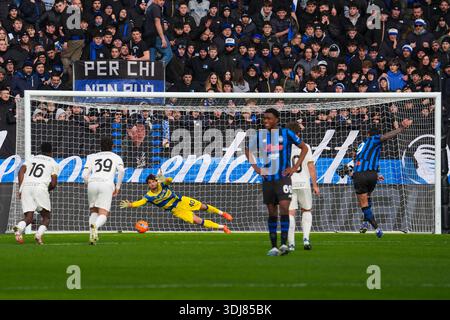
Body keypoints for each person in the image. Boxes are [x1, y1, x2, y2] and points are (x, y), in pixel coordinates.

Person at [245, 108, 309, 256]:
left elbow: (304, 148)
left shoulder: (286, 133)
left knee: (285, 208)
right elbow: (248, 150)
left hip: (283, 177)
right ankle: (274, 246)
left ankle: (284, 244)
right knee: (272, 212)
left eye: (269, 118)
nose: (266, 121)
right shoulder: (261, 135)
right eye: (264, 118)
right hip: (268, 178)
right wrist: (257, 168)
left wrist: (294, 167)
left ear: (277, 120)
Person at [352, 119, 413, 238]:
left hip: (360, 174)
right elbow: (385, 137)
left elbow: (384, 137)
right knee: (368, 197)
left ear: (368, 134)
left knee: (363, 203)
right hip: (372, 174)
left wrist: (400, 128)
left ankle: (377, 228)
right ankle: (365, 222)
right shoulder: (370, 143)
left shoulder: (366, 142)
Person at [120, 173, 232, 233]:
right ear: (148, 185)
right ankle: (223, 227)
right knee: (198, 220)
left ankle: (223, 214)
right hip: (177, 211)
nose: (153, 184)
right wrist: (131, 204)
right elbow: (140, 202)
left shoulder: (162, 184)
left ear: (156, 181)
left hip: (182, 201)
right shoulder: (149, 196)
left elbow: (170, 180)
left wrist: (163, 178)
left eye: (154, 181)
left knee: (203, 206)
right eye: (150, 183)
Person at [82, 136, 125, 245]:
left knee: (93, 211)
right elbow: (121, 171)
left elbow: (84, 175)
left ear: (100, 146)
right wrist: (118, 187)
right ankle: (95, 227)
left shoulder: (92, 157)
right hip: (106, 183)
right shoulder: (116, 157)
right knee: (103, 213)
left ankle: (91, 235)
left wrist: (88, 183)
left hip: (92, 183)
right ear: (112, 146)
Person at [13, 142, 59, 245]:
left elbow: (21, 171)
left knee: (29, 217)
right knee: (46, 217)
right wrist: (47, 190)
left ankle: (19, 227)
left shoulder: (31, 158)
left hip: (26, 187)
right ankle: (38, 235)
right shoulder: (53, 163)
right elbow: (53, 183)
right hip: (40, 187)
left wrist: (21, 189)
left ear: (41, 150)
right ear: (51, 152)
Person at [286, 122, 320, 251]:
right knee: (306, 210)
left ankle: (292, 244)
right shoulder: (306, 147)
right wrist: (315, 185)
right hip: (304, 184)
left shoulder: (284, 148)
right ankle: (306, 239)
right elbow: (311, 167)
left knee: (290, 213)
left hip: (289, 184)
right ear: (299, 133)